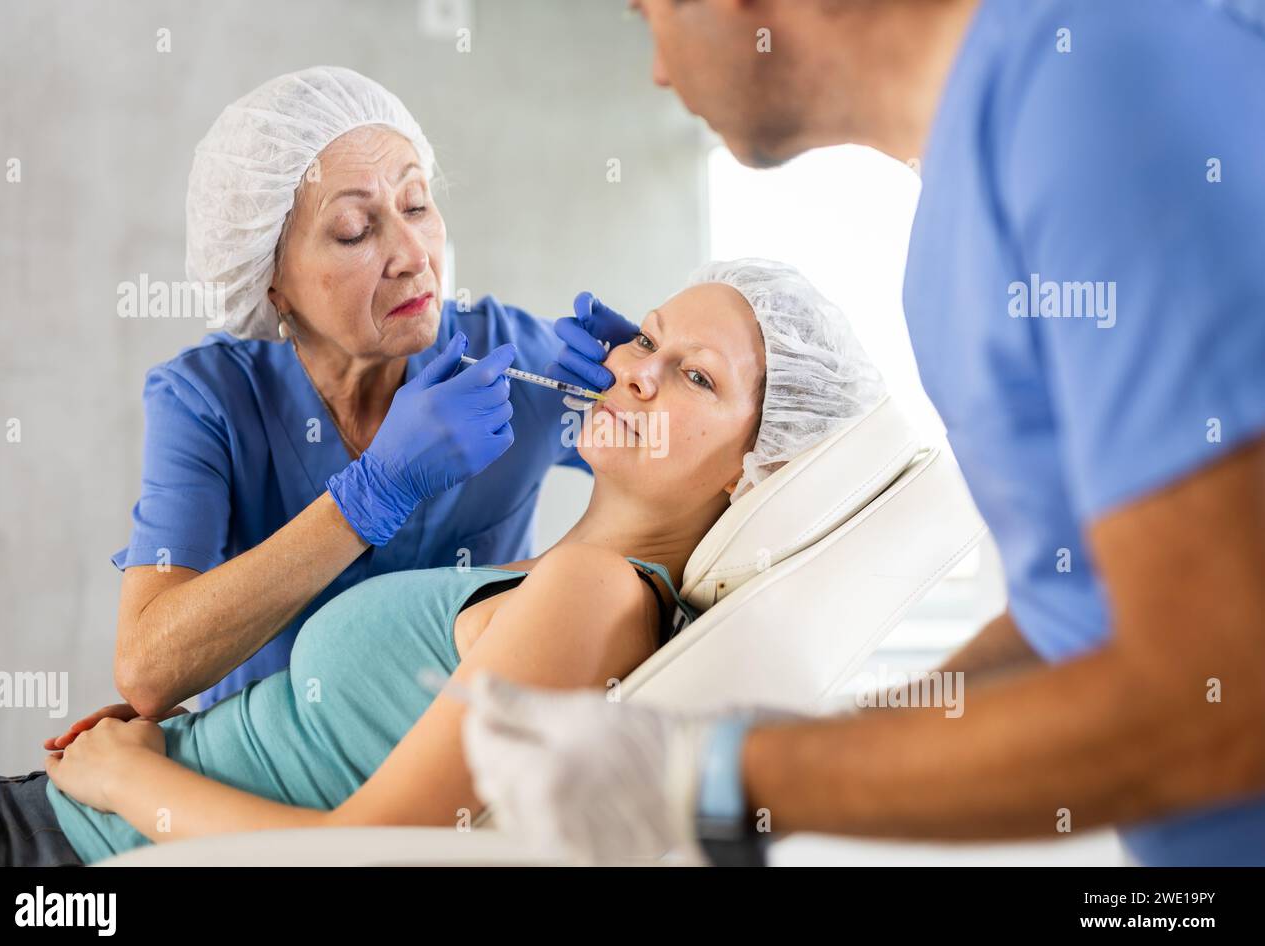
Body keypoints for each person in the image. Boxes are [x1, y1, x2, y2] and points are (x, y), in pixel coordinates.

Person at [462, 0, 1265, 865]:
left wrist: (723, 778)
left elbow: (1227, 694)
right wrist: (801, 748)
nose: (657, 67)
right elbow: (1073, 622)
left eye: (647, 12)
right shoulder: (948, 242)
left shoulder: (1095, 92)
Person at [0, 260, 883, 866]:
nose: (636, 370)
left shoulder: (594, 591)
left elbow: (362, 858)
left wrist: (122, 774)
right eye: (646, 337)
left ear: (756, 472)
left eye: (697, 378)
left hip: (68, 846)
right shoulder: (559, 575)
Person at [47, 66, 637, 733]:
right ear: (272, 286)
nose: (414, 255)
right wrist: (369, 497)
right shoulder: (211, 401)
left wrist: (657, 383)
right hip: (272, 780)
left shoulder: (513, 363)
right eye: (356, 230)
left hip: (464, 771)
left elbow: (705, 484)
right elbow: (150, 671)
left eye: (417, 206)